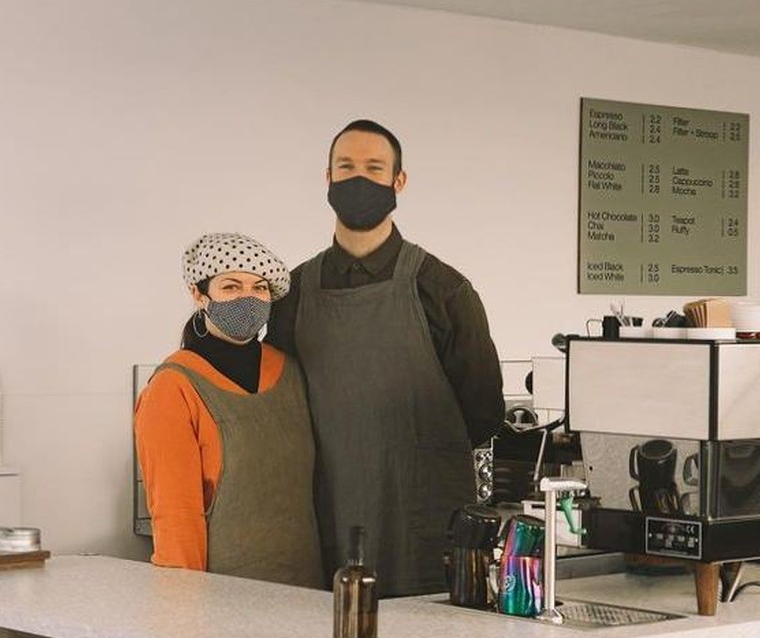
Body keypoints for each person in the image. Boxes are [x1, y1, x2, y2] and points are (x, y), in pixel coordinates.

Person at [267, 119, 504, 597]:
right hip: (324, 511)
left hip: (420, 515)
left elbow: (483, 414)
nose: (358, 179)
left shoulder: (444, 291)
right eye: (346, 167)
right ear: (327, 178)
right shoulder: (292, 295)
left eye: (374, 168)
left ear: (400, 182)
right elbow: (282, 408)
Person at [135, 232, 323, 587]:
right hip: (223, 599)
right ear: (199, 294)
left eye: (260, 288)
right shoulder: (173, 388)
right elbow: (176, 518)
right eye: (231, 287)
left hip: (306, 590)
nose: (248, 299)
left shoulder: (291, 373)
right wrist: (184, 612)